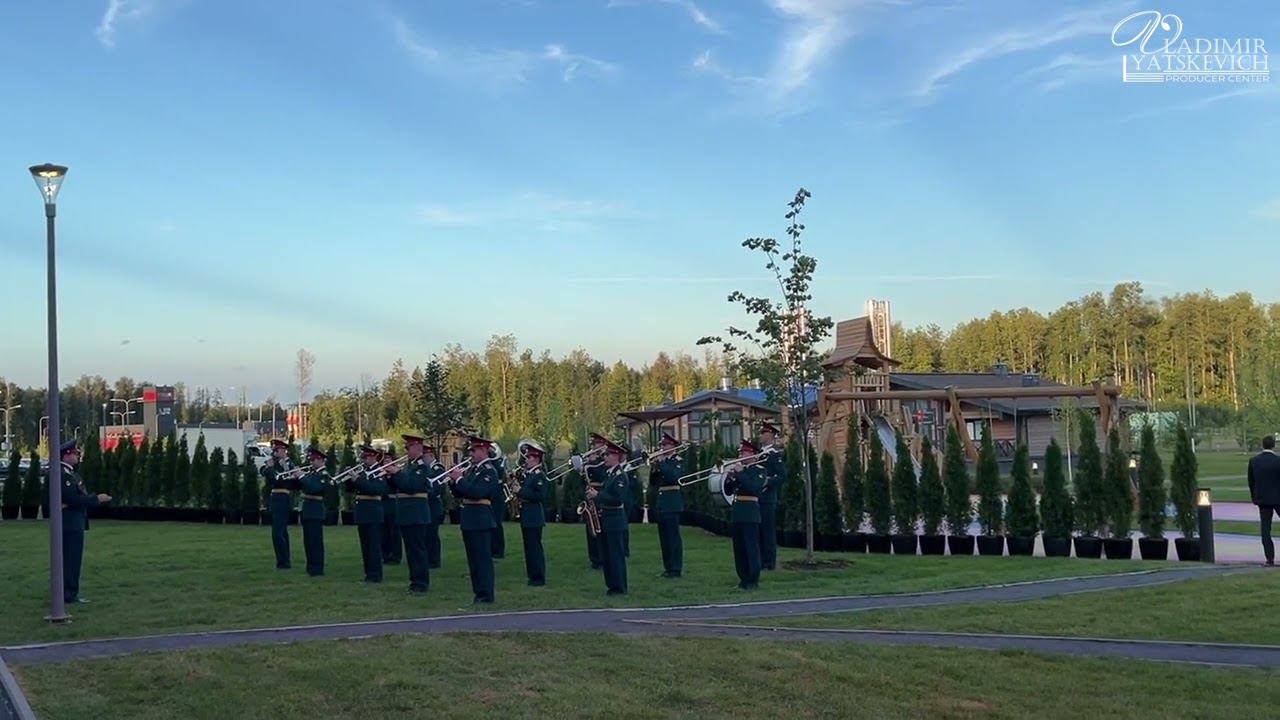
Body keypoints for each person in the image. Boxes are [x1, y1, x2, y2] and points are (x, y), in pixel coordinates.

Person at [58, 440, 111, 604]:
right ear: (66, 455)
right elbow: (73, 499)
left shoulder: (71, 473)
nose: (77, 456)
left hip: (75, 520)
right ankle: (68, 594)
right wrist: (96, 499)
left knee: (74, 560)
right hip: (70, 522)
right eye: (75, 453)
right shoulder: (63, 475)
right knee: (70, 560)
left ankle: (71, 592)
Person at [451, 436, 500, 603]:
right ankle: (478, 593)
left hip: (481, 518)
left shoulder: (488, 471)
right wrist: (453, 481)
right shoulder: (472, 470)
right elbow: (461, 493)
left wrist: (459, 479)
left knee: (482, 559)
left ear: (484, 451)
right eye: (470, 450)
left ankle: (486, 595)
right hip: (470, 518)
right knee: (473, 560)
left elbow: (477, 492)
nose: (470, 453)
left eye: (474, 450)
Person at [587, 440, 630, 596]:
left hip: (615, 518)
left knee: (615, 555)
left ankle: (619, 587)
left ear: (616, 456)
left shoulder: (620, 476)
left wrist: (598, 495)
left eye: (607, 454)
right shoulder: (609, 474)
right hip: (606, 517)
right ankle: (612, 585)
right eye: (604, 454)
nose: (604, 457)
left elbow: (617, 499)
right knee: (607, 555)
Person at [392, 435, 433, 594]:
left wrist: (396, 474)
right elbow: (399, 487)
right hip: (406, 513)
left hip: (416, 513)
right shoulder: (409, 466)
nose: (406, 450)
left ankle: (421, 583)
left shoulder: (422, 467)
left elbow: (411, 486)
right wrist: (390, 476)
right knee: (410, 550)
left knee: (418, 550)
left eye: (408, 447)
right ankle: (414, 581)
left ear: (417, 448)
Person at [725, 439, 767, 590]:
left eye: (745, 452)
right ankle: (743, 578)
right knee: (739, 548)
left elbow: (753, 487)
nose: (741, 454)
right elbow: (729, 491)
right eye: (741, 452)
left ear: (754, 455)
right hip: (737, 511)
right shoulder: (739, 471)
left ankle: (753, 579)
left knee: (751, 547)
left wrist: (741, 473)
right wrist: (729, 478)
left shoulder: (759, 471)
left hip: (750, 511)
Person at [346, 446, 386, 583]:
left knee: (373, 545)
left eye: (366, 457)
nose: (363, 460)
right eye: (363, 457)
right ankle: (368, 573)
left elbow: (375, 489)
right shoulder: (364, 471)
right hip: (362, 511)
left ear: (373, 457)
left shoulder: (379, 472)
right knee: (365, 545)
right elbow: (353, 490)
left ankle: (375, 574)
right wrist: (349, 479)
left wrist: (357, 480)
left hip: (373, 511)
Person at [649, 432, 685, 578]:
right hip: (662, 502)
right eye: (661, 445)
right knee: (664, 537)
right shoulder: (662, 462)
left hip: (672, 501)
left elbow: (674, 477)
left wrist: (662, 464)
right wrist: (654, 468)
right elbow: (653, 483)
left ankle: (676, 568)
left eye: (665, 445)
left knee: (673, 537)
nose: (662, 448)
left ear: (673, 446)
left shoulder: (677, 460)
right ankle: (668, 567)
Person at [516, 441, 550, 586]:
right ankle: (532, 576)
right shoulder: (529, 475)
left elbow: (539, 496)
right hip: (527, 514)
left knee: (535, 548)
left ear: (536, 459)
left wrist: (520, 491)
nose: (526, 460)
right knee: (529, 548)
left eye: (529, 457)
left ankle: (538, 577)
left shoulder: (539, 476)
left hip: (534, 515)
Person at [259, 438, 296, 569]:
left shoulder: (289, 464)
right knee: (280, 531)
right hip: (275, 498)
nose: (275, 453)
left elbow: (279, 480)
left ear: (283, 450)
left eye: (277, 450)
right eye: (274, 450)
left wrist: (273, 469)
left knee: (278, 533)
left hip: (283, 497)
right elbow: (264, 472)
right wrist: (269, 467)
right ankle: (283, 560)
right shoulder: (273, 463)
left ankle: (284, 561)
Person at [757, 422, 786, 571]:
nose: (761, 435)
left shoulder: (774, 455)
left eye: (764, 433)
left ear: (771, 436)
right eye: (761, 432)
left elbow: (782, 476)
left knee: (767, 532)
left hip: (768, 499)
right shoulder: (758, 453)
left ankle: (769, 562)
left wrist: (769, 481)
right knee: (758, 532)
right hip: (756, 498)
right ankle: (760, 560)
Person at [1247, 435, 1280, 566]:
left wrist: (1255, 497)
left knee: (1265, 530)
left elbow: (1251, 482)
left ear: (1262, 445)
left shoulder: (1254, 461)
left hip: (1263, 500)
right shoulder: (1278, 461)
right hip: (1278, 498)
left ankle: (1269, 559)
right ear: (1274, 445)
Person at [298, 447, 330, 577]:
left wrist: (301, 477)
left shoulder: (324, 475)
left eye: (313, 460)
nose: (311, 462)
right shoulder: (312, 473)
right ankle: (310, 567)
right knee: (308, 541)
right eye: (310, 459)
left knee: (315, 541)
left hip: (316, 509)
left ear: (321, 460)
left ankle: (317, 568)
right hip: (308, 509)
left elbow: (314, 488)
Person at [583, 433, 609, 569]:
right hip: (590, 494)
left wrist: (592, 462)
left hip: (600, 493)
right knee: (590, 526)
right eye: (593, 445)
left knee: (600, 527)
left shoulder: (606, 458)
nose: (594, 447)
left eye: (596, 444)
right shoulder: (591, 460)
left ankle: (602, 557)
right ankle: (594, 557)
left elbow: (601, 475)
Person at [423, 444, 447, 569]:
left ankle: (434, 560)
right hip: (426, 505)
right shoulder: (425, 468)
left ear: (431, 455)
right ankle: (427, 557)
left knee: (432, 534)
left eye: (425, 456)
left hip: (434, 505)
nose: (423, 459)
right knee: (425, 533)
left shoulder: (438, 468)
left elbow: (439, 488)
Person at [380, 450, 403, 565]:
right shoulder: (380, 474)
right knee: (383, 532)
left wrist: (391, 475)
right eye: (385, 461)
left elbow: (398, 486)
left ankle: (396, 555)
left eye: (389, 460)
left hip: (393, 503)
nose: (386, 463)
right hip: (383, 503)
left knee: (394, 532)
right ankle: (385, 554)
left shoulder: (397, 474)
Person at [489, 448, 508, 559]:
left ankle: (499, 550)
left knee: (497, 524)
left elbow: (500, 474)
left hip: (498, 498)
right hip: (492, 498)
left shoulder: (497, 464)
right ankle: (492, 548)